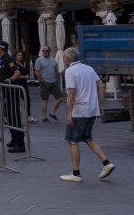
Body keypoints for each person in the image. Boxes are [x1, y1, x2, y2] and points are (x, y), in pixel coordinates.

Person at [60, 47, 114, 183]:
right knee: (87, 137)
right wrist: (100, 105)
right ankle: (106, 163)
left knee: (73, 140)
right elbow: (101, 86)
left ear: (67, 59)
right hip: (91, 109)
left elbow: (71, 92)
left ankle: (76, 173)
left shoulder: (70, 71)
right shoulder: (88, 68)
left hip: (79, 110)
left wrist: (69, 113)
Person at [0, 40, 25, 153]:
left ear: (0, 48)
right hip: (7, 92)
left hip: (12, 92)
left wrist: (10, 80)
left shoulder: (9, 59)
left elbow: (17, 73)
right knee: (10, 117)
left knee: (15, 117)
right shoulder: (3, 60)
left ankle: (20, 143)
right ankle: (14, 139)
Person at [34, 45, 64, 122]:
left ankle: (52, 113)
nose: (45, 52)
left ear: (50, 51)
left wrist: (57, 79)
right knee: (45, 99)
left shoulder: (53, 60)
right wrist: (41, 80)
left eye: (46, 50)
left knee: (60, 97)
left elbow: (56, 70)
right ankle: (44, 117)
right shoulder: (39, 60)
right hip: (45, 82)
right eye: (43, 50)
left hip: (53, 82)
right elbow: (36, 71)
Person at [14, 50, 37, 123]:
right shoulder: (15, 65)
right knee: (16, 102)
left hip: (24, 85)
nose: (20, 56)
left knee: (27, 100)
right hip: (18, 85)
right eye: (18, 55)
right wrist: (24, 77)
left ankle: (29, 117)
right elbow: (15, 76)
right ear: (15, 56)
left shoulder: (21, 64)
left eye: (21, 55)